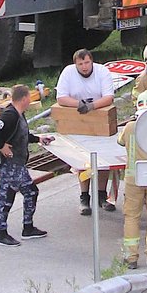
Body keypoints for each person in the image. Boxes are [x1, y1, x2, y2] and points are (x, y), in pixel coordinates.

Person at [56, 47, 117, 212]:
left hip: (100, 122)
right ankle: (84, 197)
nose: (84, 66)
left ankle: (102, 196)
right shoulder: (68, 73)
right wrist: (78, 104)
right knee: (83, 162)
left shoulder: (102, 71)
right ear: (75, 64)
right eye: (81, 63)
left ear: (92, 61)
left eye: (87, 62)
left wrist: (92, 106)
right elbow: (61, 97)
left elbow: (109, 97)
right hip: (78, 123)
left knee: (104, 162)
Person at [0, 83, 46, 246]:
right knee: (10, 195)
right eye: (29, 96)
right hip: (8, 163)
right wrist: (1, 146)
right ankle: (3, 233)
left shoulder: (19, 114)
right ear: (24, 98)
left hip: (17, 163)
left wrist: (38, 139)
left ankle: (27, 228)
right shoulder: (10, 115)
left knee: (25, 192)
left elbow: (23, 133)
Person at [121, 87, 147, 269]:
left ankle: (131, 258)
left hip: (133, 179)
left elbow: (120, 141)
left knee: (131, 217)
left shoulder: (130, 127)